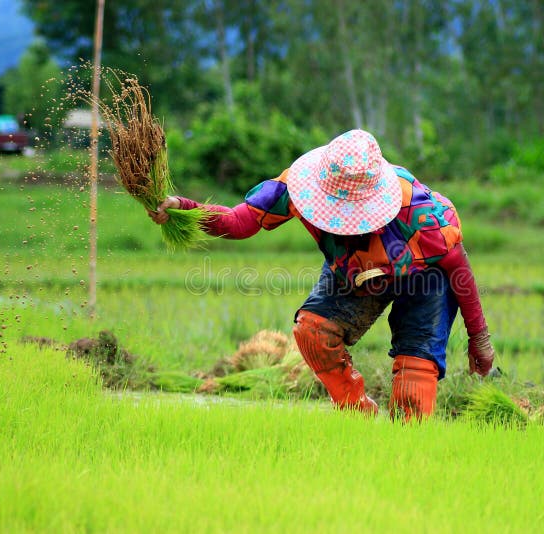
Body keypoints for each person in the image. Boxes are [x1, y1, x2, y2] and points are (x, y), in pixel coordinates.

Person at [148, 129, 495, 420]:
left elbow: (459, 270)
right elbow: (240, 222)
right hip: (353, 270)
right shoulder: (296, 186)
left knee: (414, 383)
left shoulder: (420, 215)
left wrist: (479, 338)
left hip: (424, 277)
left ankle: (406, 447)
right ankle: (356, 415)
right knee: (313, 332)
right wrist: (185, 208)